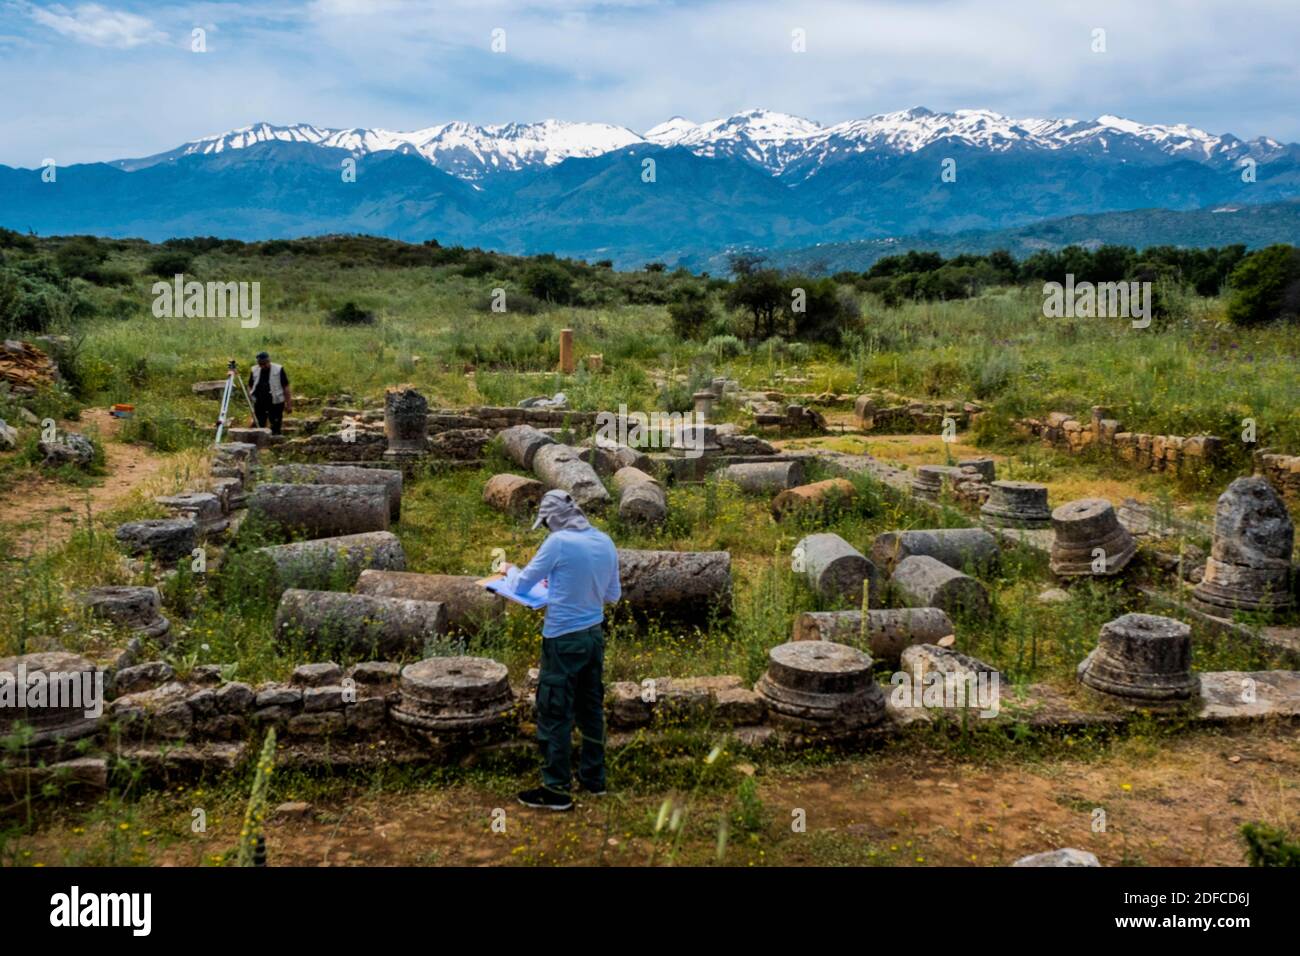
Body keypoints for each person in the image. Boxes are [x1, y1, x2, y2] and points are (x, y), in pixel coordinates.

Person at [505, 490, 620, 811]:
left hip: (562, 638)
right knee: (591, 707)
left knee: (555, 710)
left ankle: (555, 789)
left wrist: (509, 571)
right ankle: (594, 779)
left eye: (546, 524)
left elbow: (521, 586)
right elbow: (613, 595)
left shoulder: (558, 543)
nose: (546, 530)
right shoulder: (606, 541)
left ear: (553, 519)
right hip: (593, 635)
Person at [248, 351, 291, 435]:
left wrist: (288, 403)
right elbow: (250, 385)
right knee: (259, 424)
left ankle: (276, 441)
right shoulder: (254, 369)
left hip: (276, 402)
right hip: (260, 402)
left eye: (264, 363)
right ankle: (261, 444)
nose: (263, 366)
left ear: (269, 361)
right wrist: (250, 396)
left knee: (275, 424)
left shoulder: (279, 369)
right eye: (260, 364)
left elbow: (286, 387)